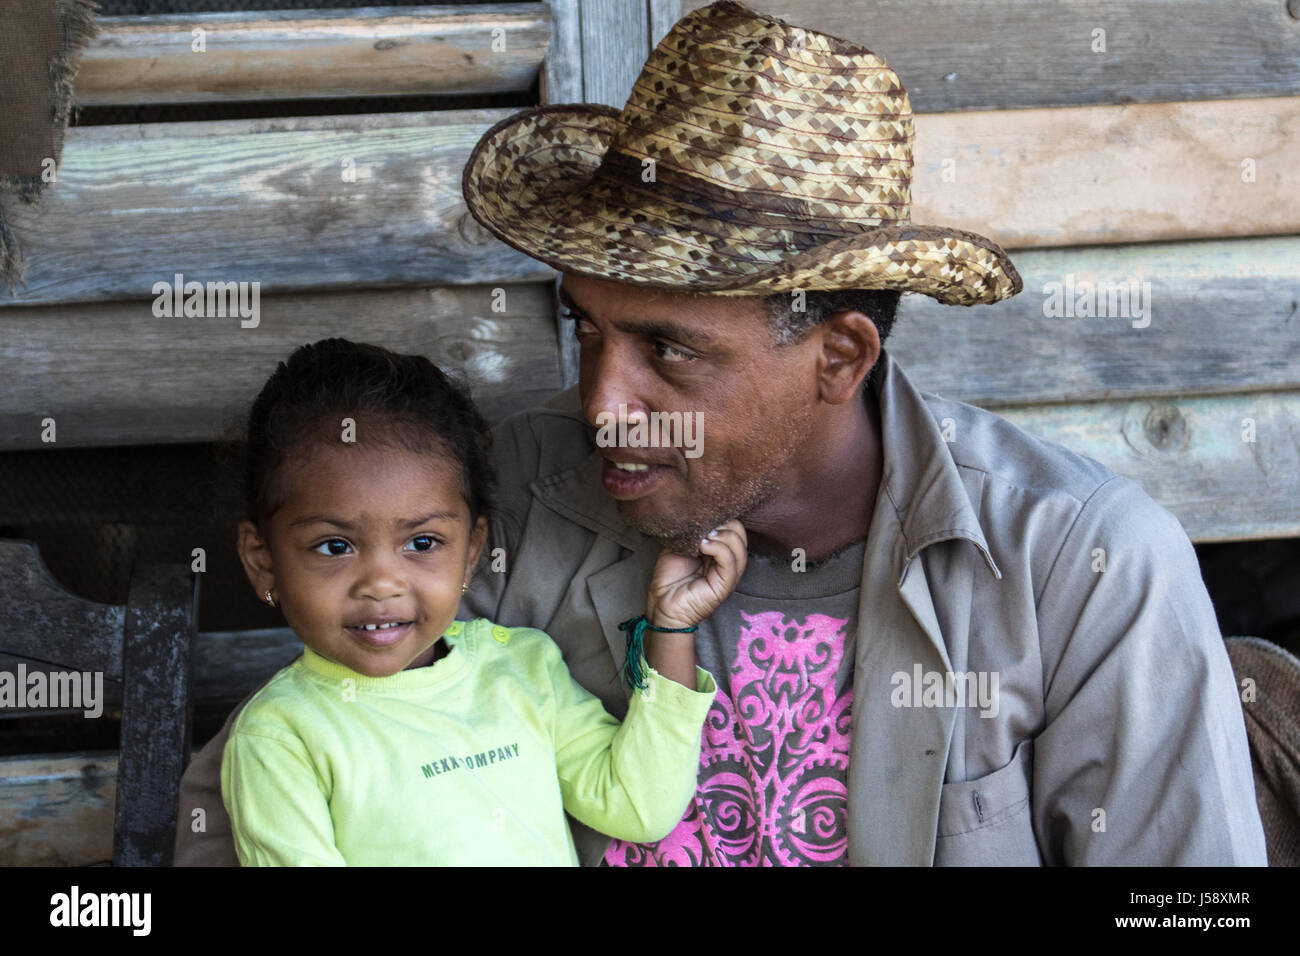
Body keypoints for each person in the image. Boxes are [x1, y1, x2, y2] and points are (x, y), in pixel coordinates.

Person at [177, 0, 1266, 866]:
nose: (602, 402)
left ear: (837, 357)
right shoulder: (483, 502)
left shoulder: (1082, 565)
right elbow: (250, 796)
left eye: (669, 350)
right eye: (587, 329)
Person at [217, 338, 746, 865]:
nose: (381, 583)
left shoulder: (523, 671)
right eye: (335, 546)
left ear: (471, 552)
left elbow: (637, 806)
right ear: (262, 559)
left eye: (422, 543)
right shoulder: (282, 736)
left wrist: (671, 631)